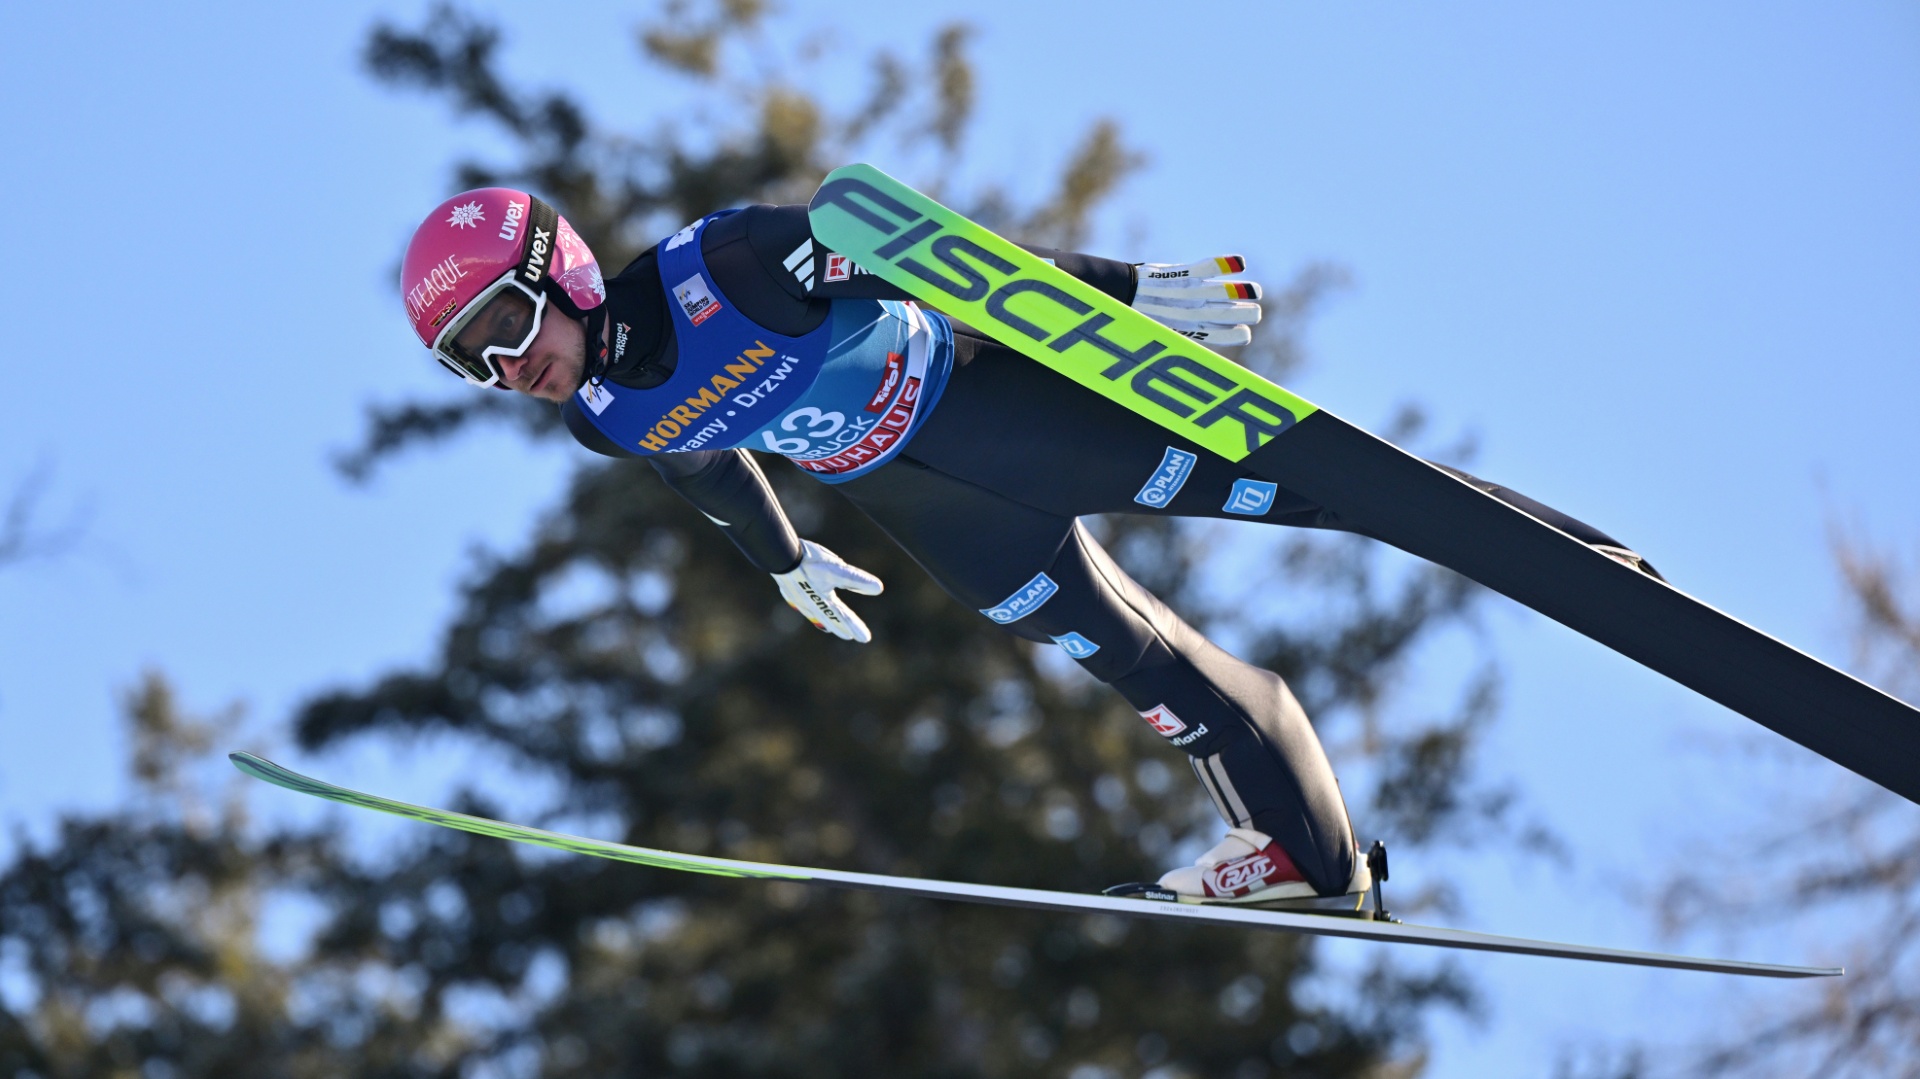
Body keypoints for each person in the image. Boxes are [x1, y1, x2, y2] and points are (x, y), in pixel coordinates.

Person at [398, 187, 1657, 906]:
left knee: (1334, 490)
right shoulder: (608, 420)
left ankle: (1591, 566)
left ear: (554, 267)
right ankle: (1307, 853)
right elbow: (706, 461)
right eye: (473, 361)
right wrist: (782, 555)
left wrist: (1118, 293)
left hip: (1010, 416)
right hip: (941, 515)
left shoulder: (728, 266)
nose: (510, 367)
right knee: (1142, 665)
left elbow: (920, 253)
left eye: (505, 324)